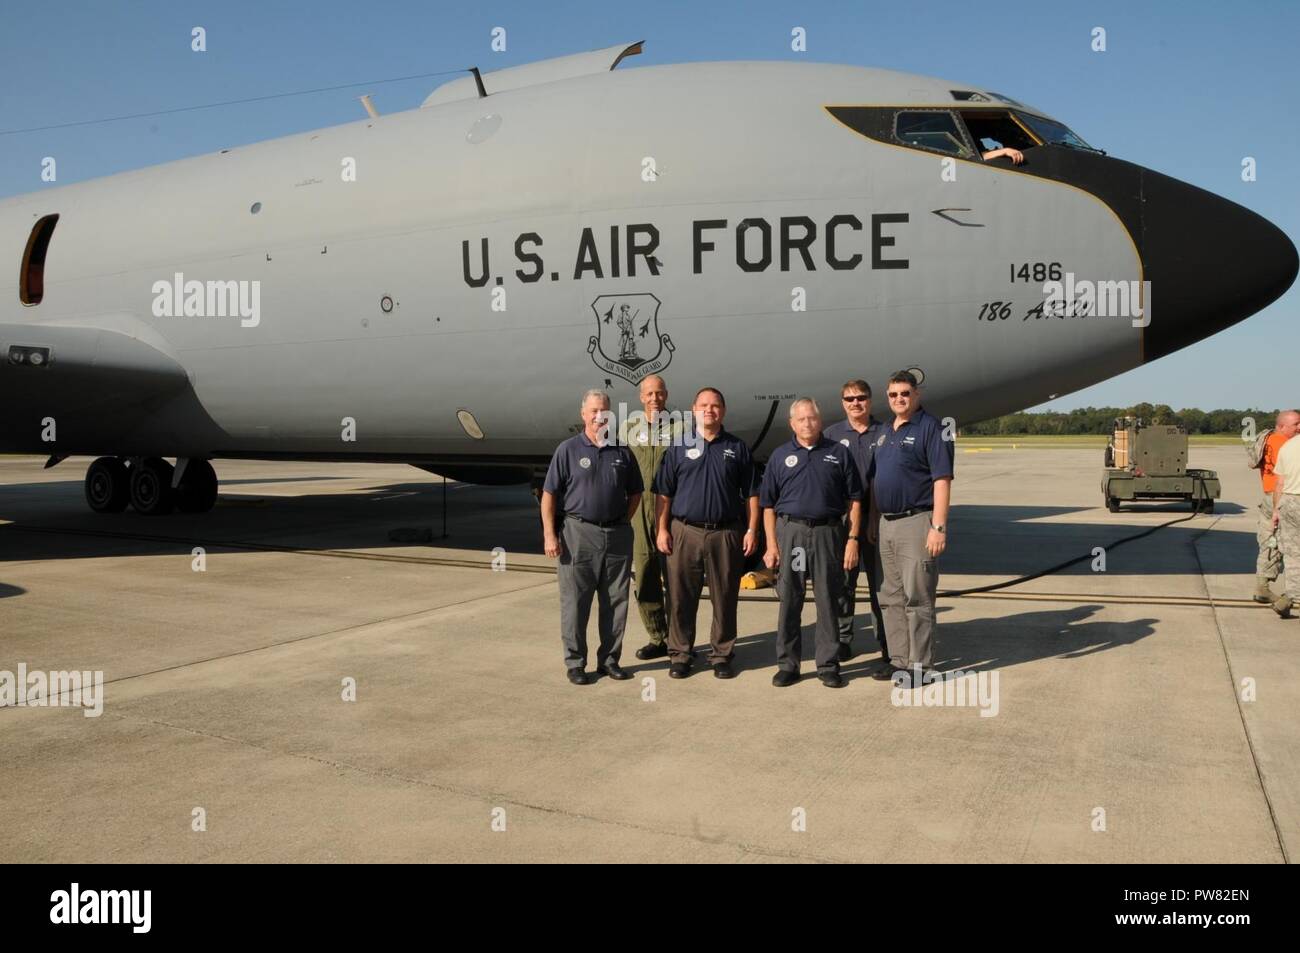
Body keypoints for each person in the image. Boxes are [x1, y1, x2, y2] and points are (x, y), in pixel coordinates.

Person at [653, 387, 759, 679]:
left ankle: (722, 654)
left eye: (715, 406)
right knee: (679, 597)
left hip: (725, 532)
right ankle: (680, 654)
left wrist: (752, 529)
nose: (709, 410)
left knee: (724, 596)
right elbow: (663, 493)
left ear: (723, 411)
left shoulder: (737, 448)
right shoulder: (678, 447)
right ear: (693, 409)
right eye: (703, 405)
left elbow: (752, 494)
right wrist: (661, 529)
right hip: (684, 531)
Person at [541, 390, 643, 685]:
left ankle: (609, 661)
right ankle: (575, 663)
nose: (600, 416)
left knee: (616, 601)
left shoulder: (622, 452)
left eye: (605, 411)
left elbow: (635, 492)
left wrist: (623, 519)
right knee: (575, 602)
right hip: (577, 533)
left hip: (617, 535)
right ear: (583, 414)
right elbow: (549, 494)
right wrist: (550, 535)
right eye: (594, 411)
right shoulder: (568, 450)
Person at [760, 398, 863, 689]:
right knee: (791, 598)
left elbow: (855, 499)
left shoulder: (838, 453)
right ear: (792, 424)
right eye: (801, 419)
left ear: (820, 421)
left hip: (827, 535)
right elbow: (768, 505)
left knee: (828, 598)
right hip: (793, 536)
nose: (807, 423)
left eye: (812, 418)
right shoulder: (780, 456)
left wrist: (852, 538)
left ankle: (828, 664)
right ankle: (788, 664)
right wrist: (771, 544)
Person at [866, 371, 954, 686]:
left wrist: (938, 527)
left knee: (918, 598)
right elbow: (877, 480)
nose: (899, 399)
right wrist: (875, 520)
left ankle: (921, 666)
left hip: (917, 521)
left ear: (916, 395)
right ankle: (899, 660)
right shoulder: (885, 431)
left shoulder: (931, 428)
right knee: (889, 596)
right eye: (893, 395)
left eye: (905, 393)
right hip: (886, 523)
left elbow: (941, 479)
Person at [824, 379, 888, 666]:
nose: (855, 403)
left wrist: (874, 519)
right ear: (843, 403)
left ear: (870, 401)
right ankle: (843, 640)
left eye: (861, 398)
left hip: (877, 520)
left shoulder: (885, 433)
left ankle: (886, 641)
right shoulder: (832, 434)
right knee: (843, 584)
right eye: (849, 399)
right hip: (843, 522)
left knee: (881, 585)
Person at [623, 375, 676, 661]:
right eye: (649, 394)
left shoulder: (682, 428)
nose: (655, 399)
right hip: (638, 511)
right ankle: (658, 638)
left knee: (677, 580)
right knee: (644, 576)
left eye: (660, 393)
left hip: (671, 510)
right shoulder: (628, 428)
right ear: (641, 397)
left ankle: (680, 641)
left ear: (666, 395)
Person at [1254, 410, 1299, 604]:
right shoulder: (1286, 444)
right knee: (1288, 547)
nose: (1299, 428)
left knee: (1269, 541)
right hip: (1281, 496)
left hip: (1269, 494)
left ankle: (1262, 586)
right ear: (1281, 426)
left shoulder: (1268, 439)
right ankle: (1291, 595)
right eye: (1295, 425)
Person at [1269, 413, 1300, 618]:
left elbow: (1279, 483)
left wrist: (1276, 510)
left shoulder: (1287, 447)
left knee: (1292, 553)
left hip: (1289, 502)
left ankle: (1293, 596)